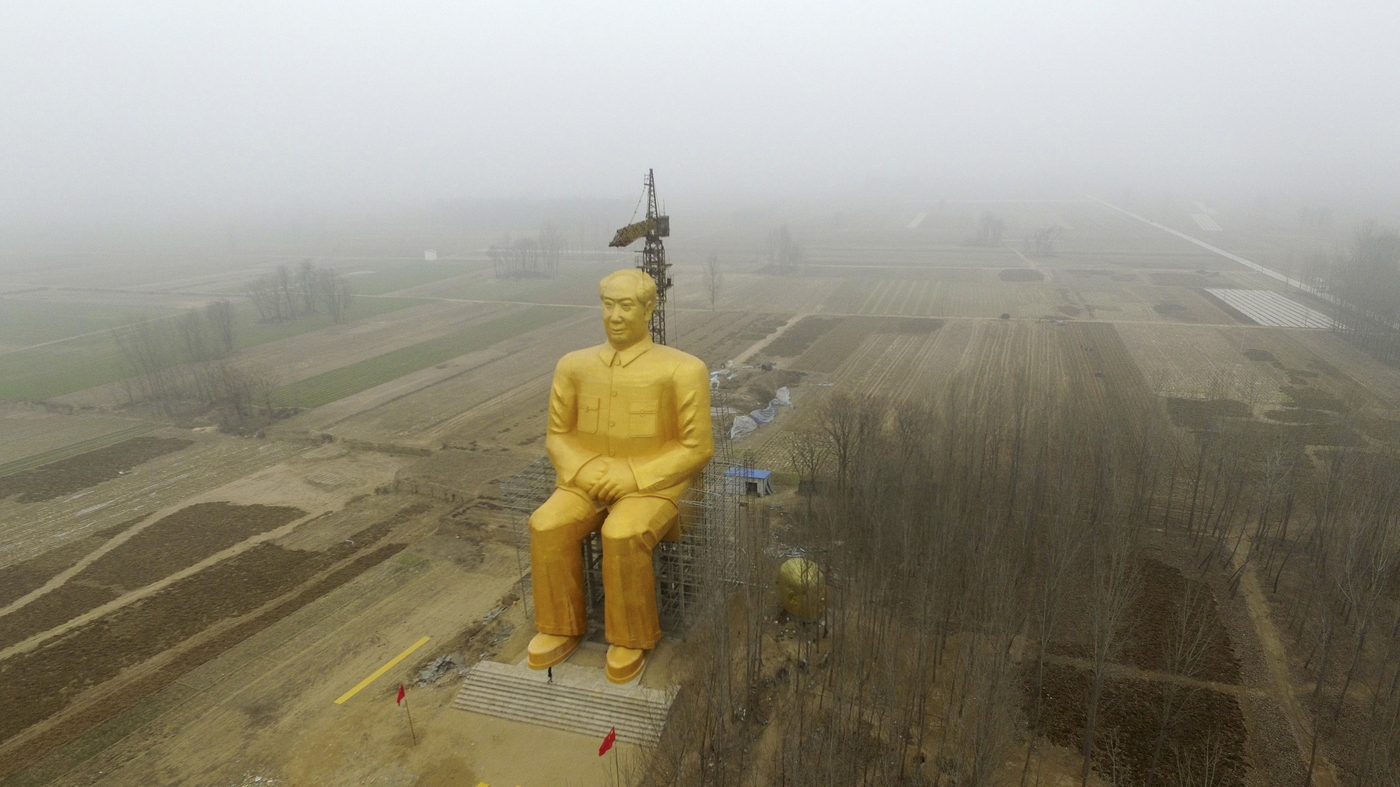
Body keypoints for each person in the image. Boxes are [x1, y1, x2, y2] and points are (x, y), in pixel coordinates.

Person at [526, 269, 713, 683]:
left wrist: (633, 476)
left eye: (626, 305)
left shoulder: (682, 370)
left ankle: (632, 637)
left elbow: (697, 448)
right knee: (546, 524)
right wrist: (584, 469)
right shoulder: (573, 366)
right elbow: (557, 436)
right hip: (585, 479)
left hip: (654, 484)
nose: (614, 315)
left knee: (623, 534)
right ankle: (560, 625)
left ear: (649, 308)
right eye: (608, 304)